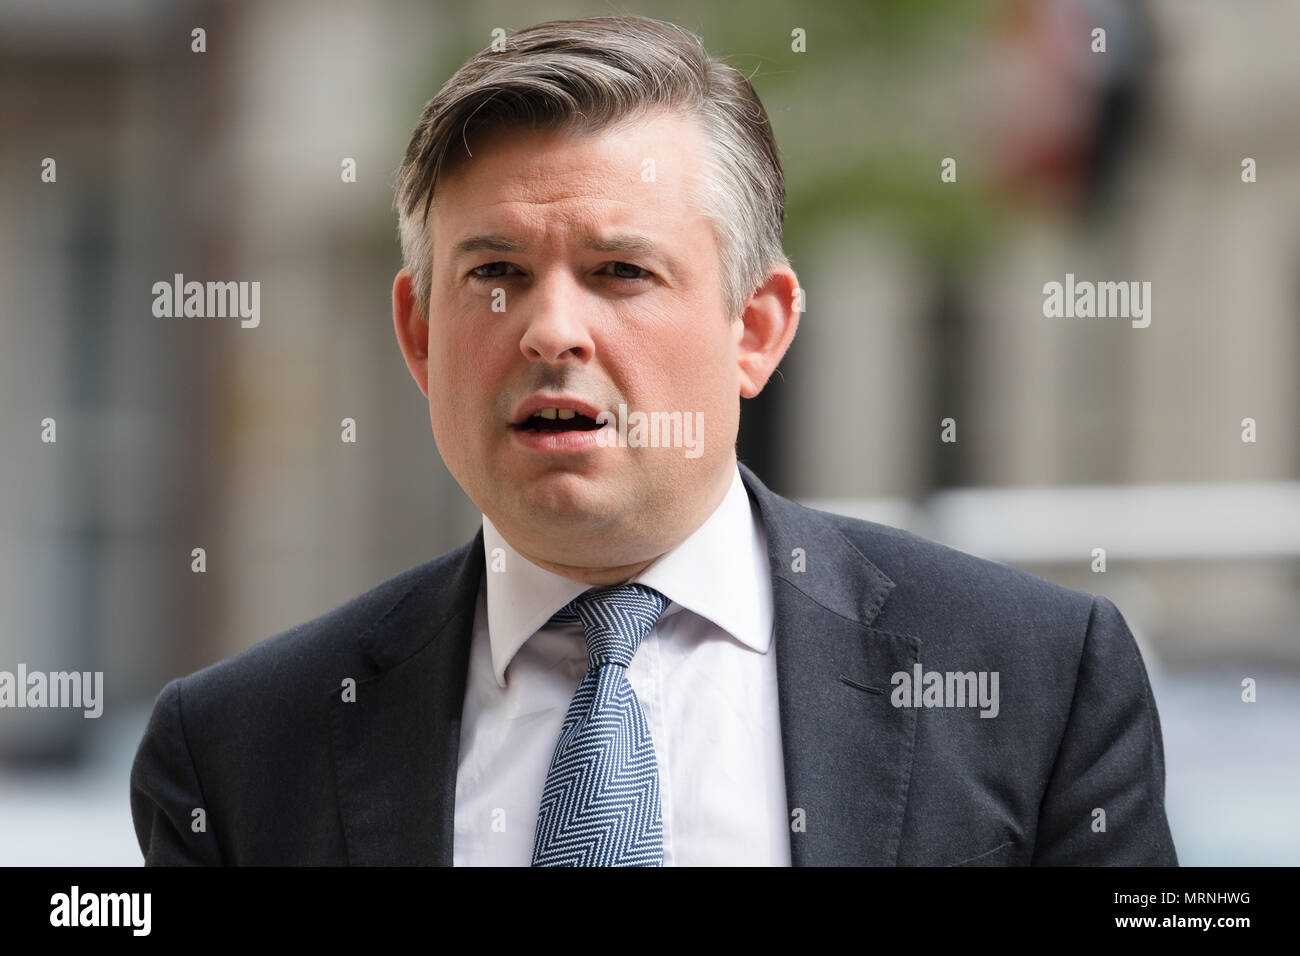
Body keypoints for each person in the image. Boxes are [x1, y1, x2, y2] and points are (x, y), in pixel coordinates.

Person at [130, 15, 1177, 867]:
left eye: (621, 271)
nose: (550, 328)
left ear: (754, 328)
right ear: (419, 332)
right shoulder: (238, 751)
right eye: (493, 273)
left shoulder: (1036, 681)